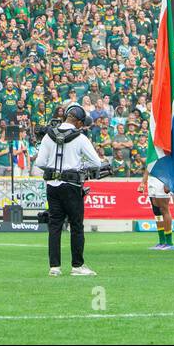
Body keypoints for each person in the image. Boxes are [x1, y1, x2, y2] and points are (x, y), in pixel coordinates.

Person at [34, 102, 104, 276]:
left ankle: (54, 267)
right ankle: (77, 265)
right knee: (76, 226)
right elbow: (96, 162)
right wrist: (79, 165)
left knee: (55, 225)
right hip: (71, 185)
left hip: (52, 185)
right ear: (78, 122)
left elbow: (40, 163)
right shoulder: (80, 137)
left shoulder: (48, 136)